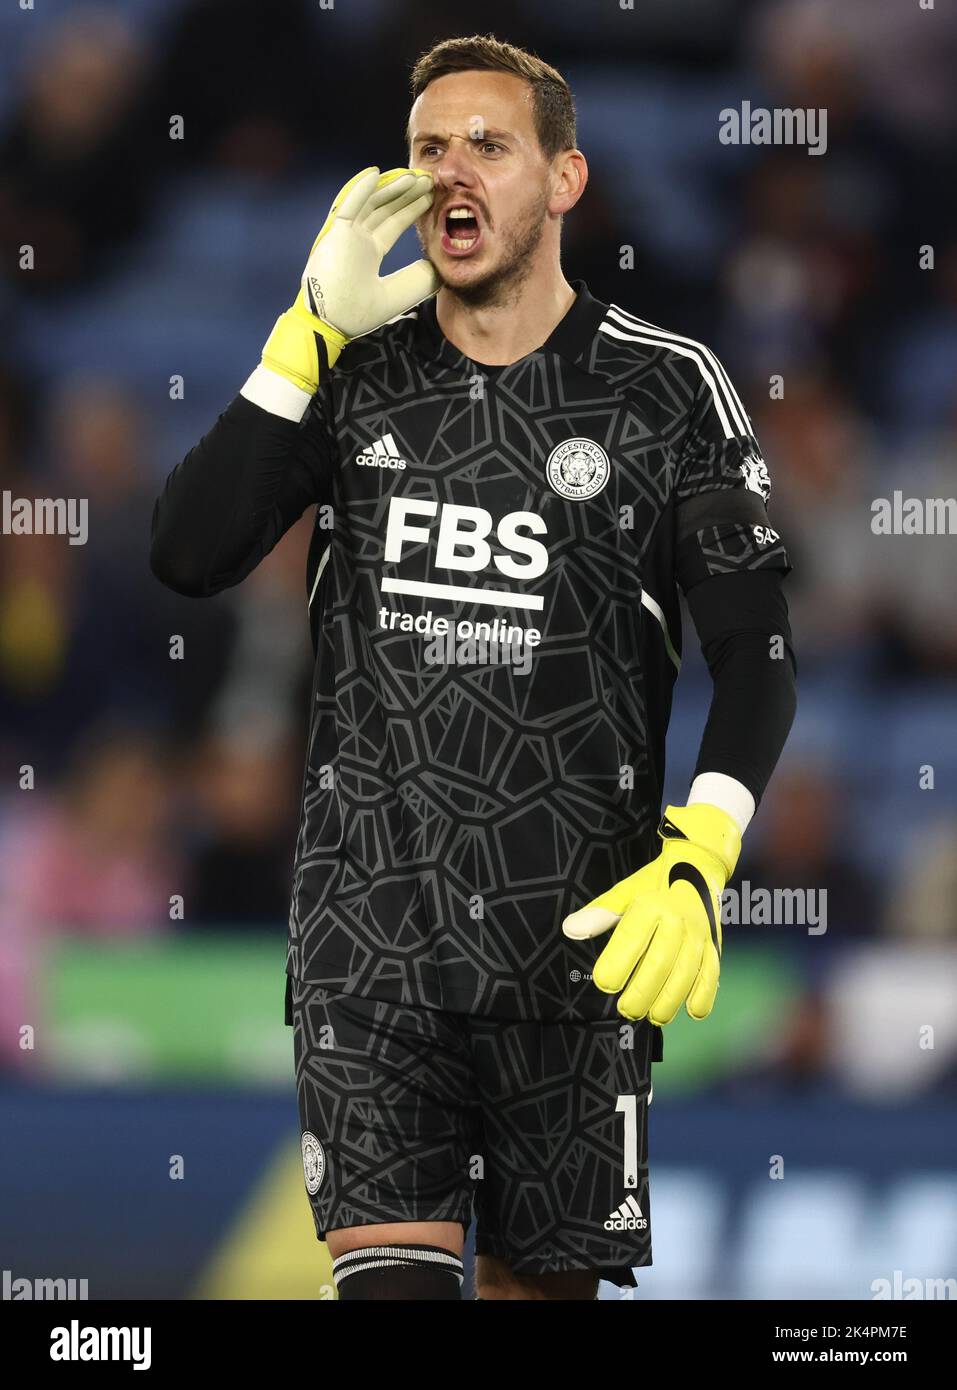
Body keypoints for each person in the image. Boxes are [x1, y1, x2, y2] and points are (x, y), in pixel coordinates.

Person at [150, 34, 797, 1301]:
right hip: (371, 943)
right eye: (428, 149)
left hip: (576, 951)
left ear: (564, 181)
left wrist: (703, 854)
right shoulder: (357, 370)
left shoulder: (670, 389)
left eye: (488, 146)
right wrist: (303, 333)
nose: (452, 172)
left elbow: (759, 659)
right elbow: (187, 552)